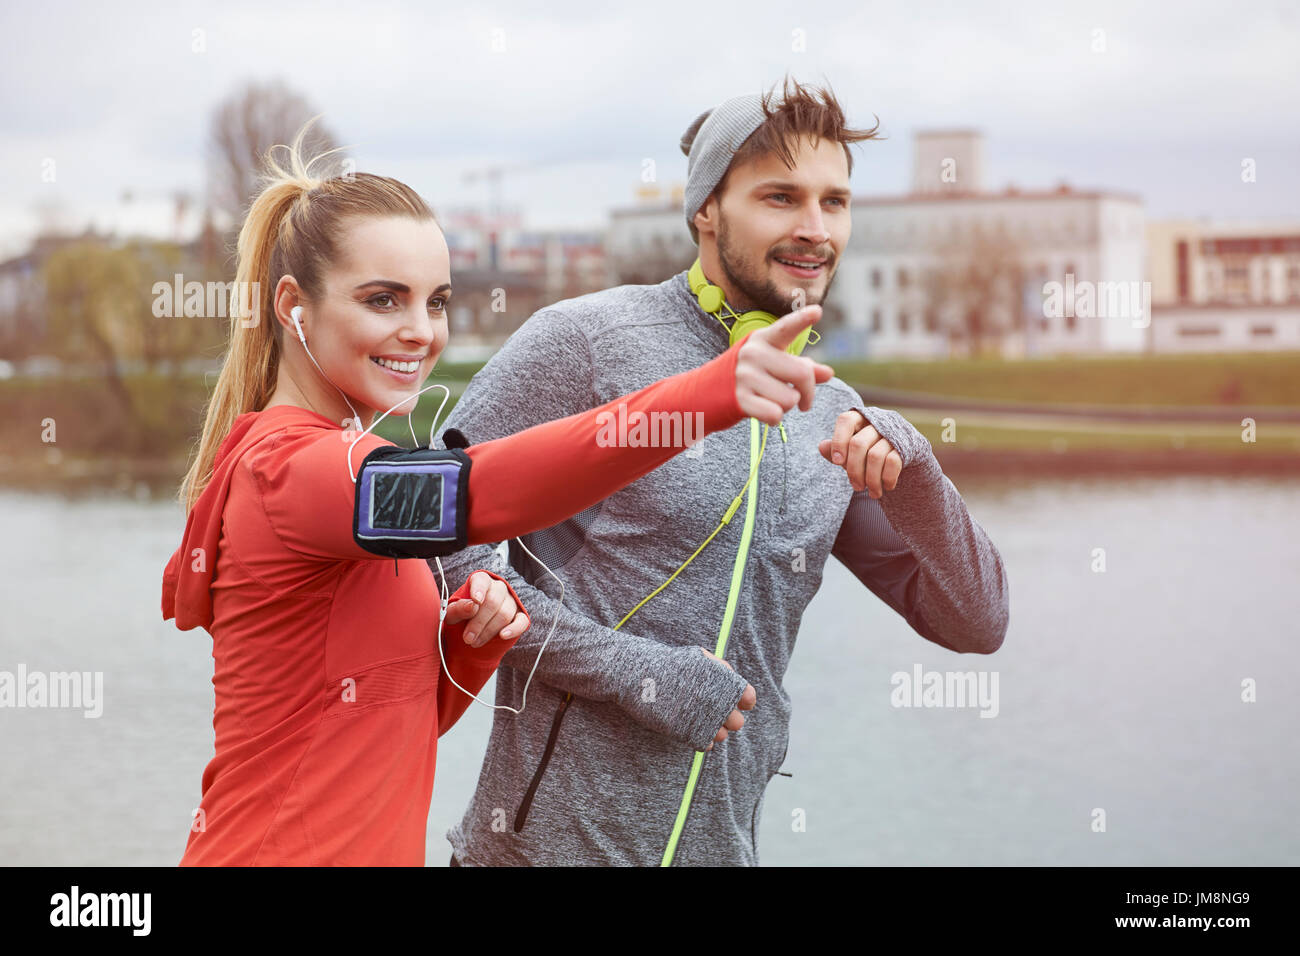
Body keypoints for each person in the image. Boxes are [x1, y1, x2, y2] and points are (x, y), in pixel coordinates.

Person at [161, 126, 834, 866]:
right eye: (384, 300)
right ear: (293, 306)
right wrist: (707, 395)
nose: (420, 332)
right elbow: (480, 490)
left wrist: (466, 647)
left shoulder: (350, 477)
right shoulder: (293, 470)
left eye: (436, 301)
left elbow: (376, 733)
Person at [438, 77, 1012, 867]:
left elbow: (976, 620)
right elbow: (427, 535)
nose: (816, 229)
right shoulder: (584, 340)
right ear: (706, 208)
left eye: (835, 202)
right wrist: (631, 672)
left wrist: (916, 470)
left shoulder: (831, 411)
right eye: (780, 198)